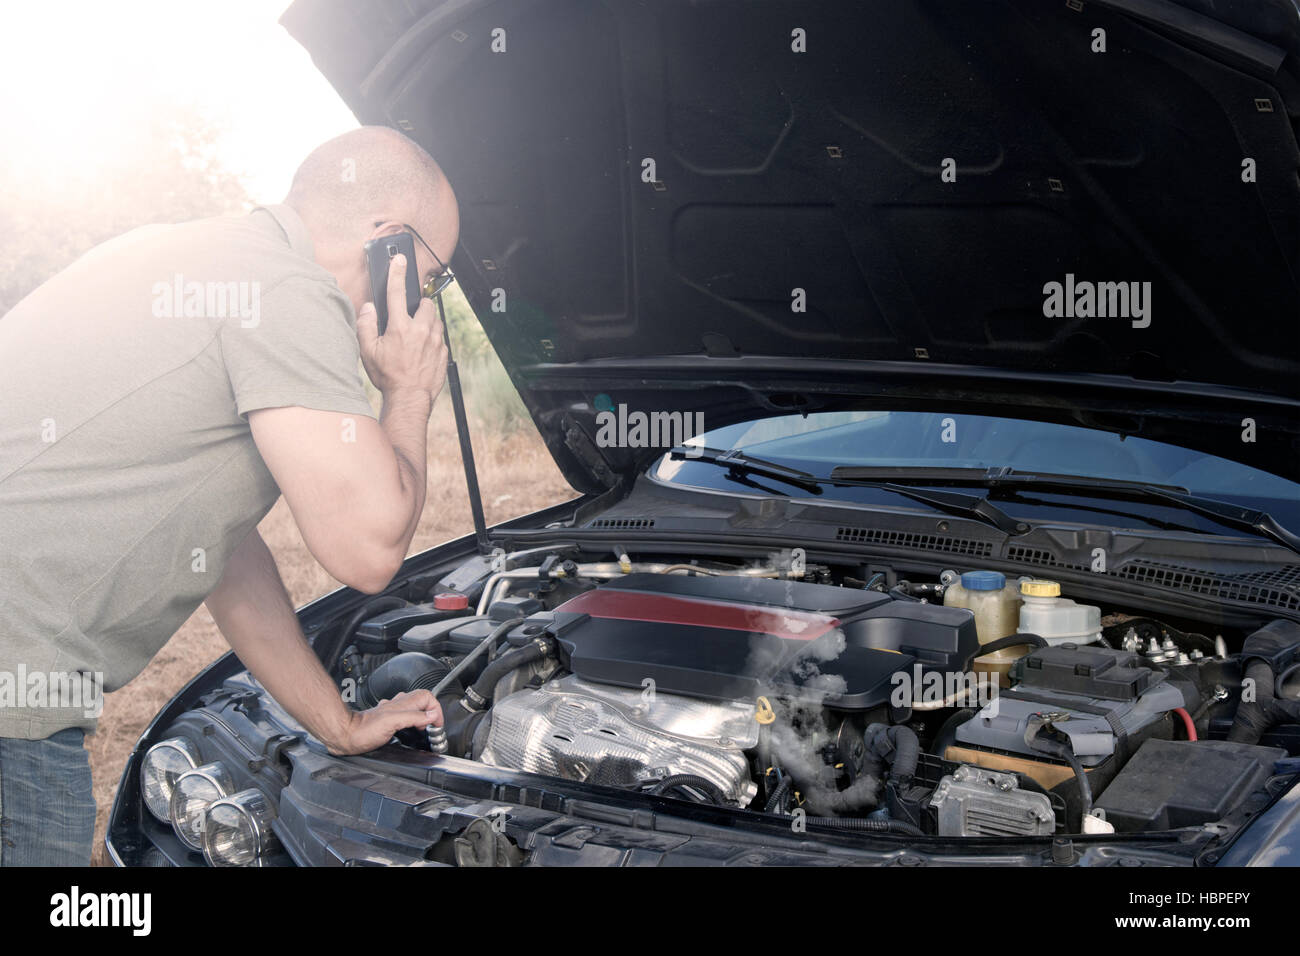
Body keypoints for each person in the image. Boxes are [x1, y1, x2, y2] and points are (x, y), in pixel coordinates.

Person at [0, 126, 458, 865]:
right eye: (435, 276)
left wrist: (336, 724)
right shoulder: (287, 291)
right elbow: (368, 551)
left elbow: (219, 550)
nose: (430, 297)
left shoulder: (180, 253)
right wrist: (408, 389)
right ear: (392, 244)